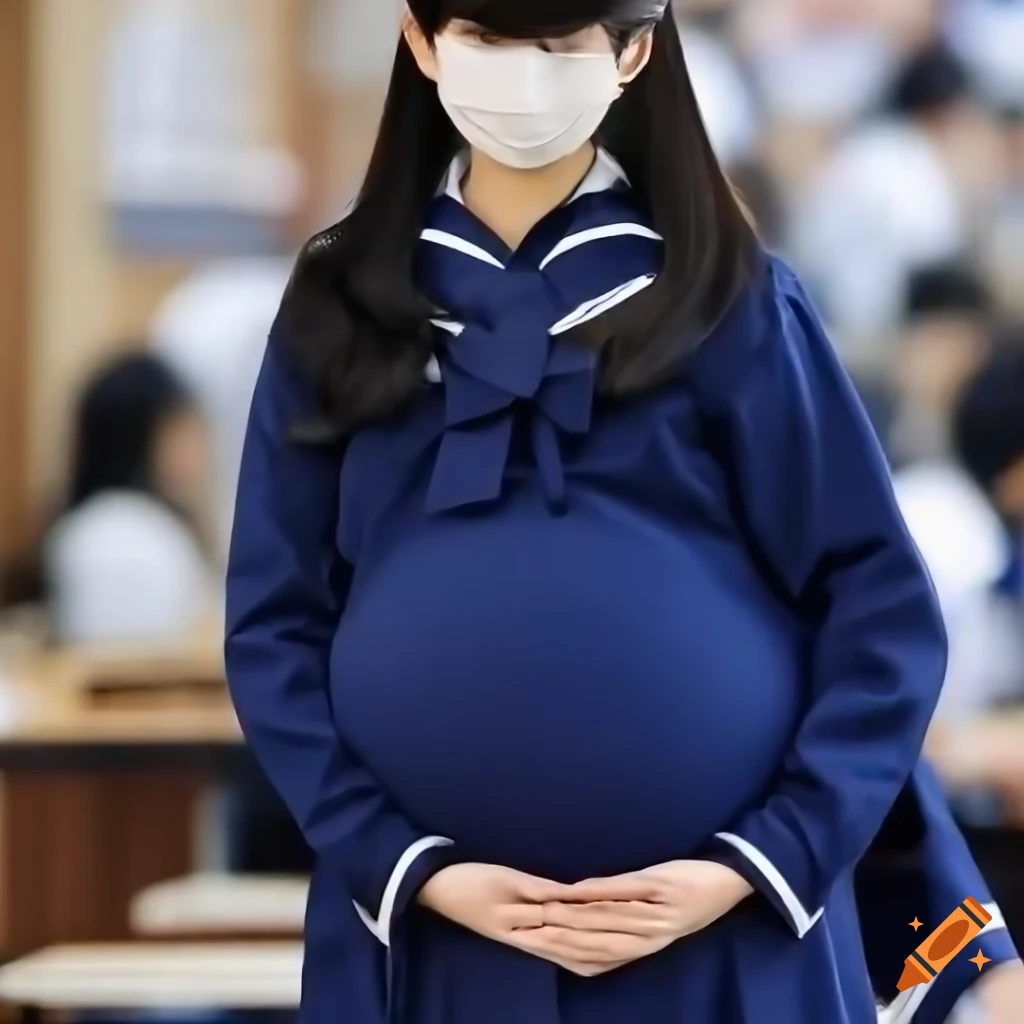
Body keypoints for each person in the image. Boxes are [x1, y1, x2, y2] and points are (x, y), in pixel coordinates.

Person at [224, 3, 1018, 1022]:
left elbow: (875, 606)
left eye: (556, 44)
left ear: (631, 52)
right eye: (485, 38)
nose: (521, 74)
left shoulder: (729, 295)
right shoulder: (344, 299)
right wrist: (406, 863)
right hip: (429, 938)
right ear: (421, 44)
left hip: (721, 937)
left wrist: (756, 860)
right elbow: (274, 622)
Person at [46, 350, 214, 645]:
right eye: (182, 429)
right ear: (142, 434)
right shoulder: (123, 537)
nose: (199, 447)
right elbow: (134, 671)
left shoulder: (117, 525)